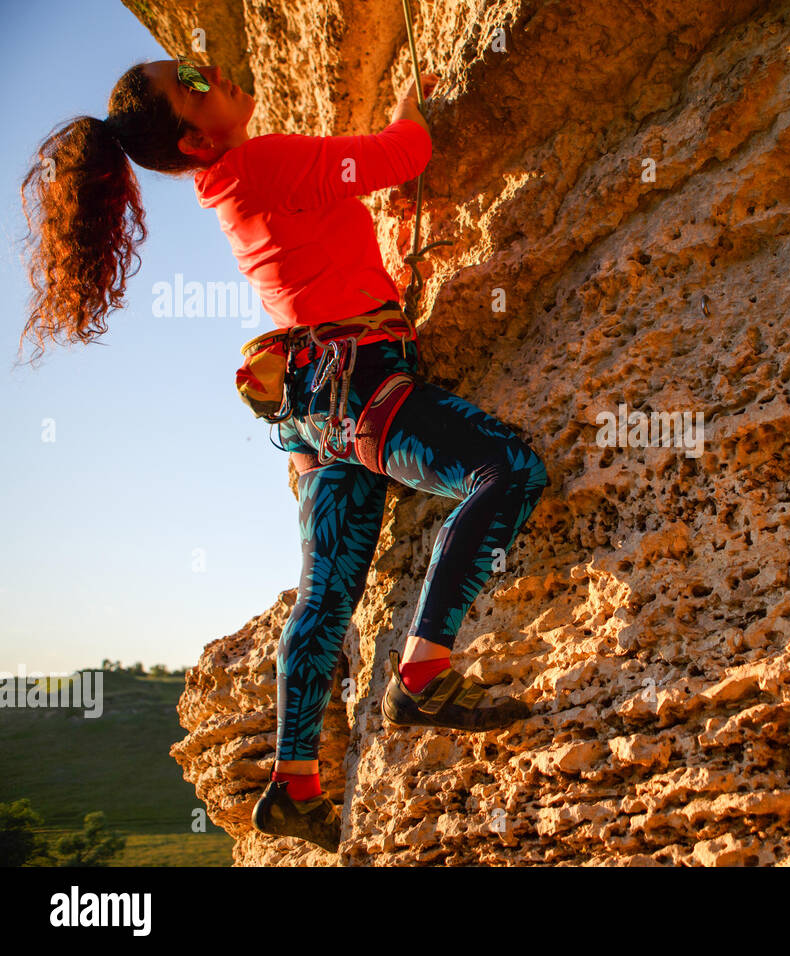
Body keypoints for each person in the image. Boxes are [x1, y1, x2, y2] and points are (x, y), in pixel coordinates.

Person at [17, 56, 550, 855]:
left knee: (327, 590)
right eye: (193, 83)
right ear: (195, 141)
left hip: (312, 410)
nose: (214, 70)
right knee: (507, 470)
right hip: (361, 383)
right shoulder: (261, 162)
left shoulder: (225, 188)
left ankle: (294, 779)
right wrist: (415, 90)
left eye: (196, 65)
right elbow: (404, 155)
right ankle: (423, 671)